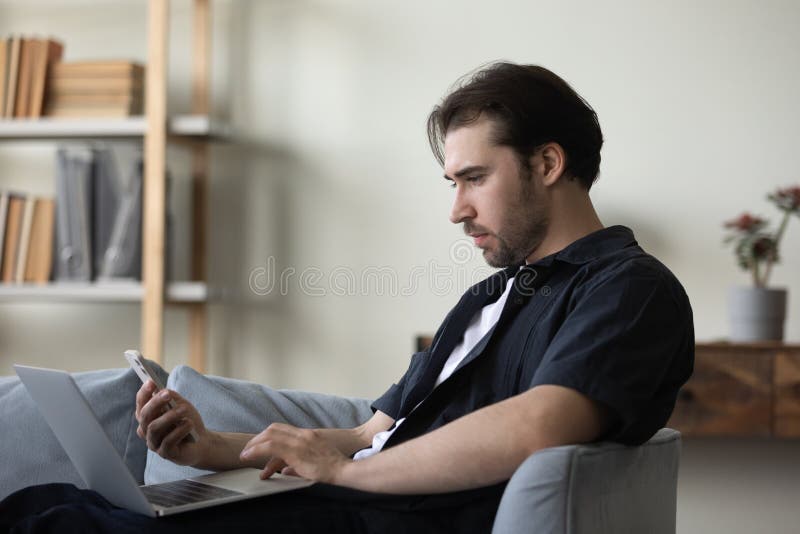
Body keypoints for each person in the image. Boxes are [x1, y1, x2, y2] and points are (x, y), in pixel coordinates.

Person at [0, 61, 694, 533]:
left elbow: (538, 426)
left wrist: (342, 472)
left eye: (474, 178)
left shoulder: (629, 289)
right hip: (338, 503)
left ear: (548, 163)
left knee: (57, 522)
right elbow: (370, 434)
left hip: (381, 521)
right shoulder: (492, 295)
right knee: (47, 499)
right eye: (452, 182)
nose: (456, 209)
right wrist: (212, 448)